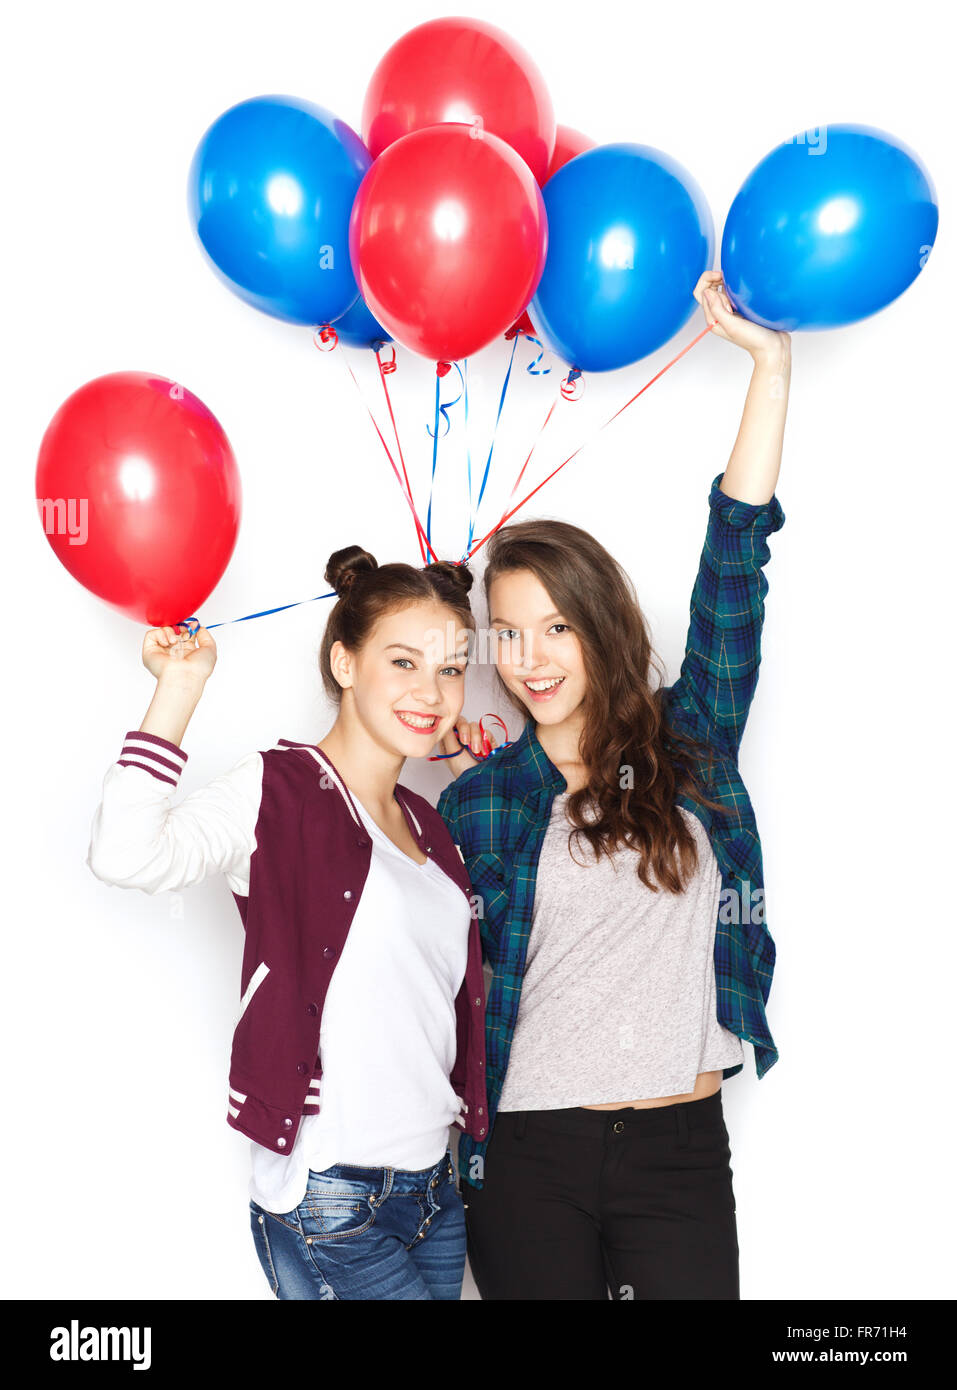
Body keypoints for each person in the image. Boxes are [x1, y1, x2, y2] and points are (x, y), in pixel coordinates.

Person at [436, 270, 791, 1300]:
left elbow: (735, 565)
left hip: (677, 1148)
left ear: (602, 628)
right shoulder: (483, 800)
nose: (531, 656)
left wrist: (767, 368)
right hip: (530, 1154)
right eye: (508, 631)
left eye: (557, 626)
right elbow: (444, 985)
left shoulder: (691, 743)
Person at [86, 548, 490, 1300]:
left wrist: (485, 776)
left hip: (434, 1191)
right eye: (403, 662)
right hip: (333, 1195)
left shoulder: (430, 826)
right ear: (344, 662)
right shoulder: (277, 789)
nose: (431, 693)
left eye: (450, 668)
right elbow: (125, 854)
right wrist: (179, 689)